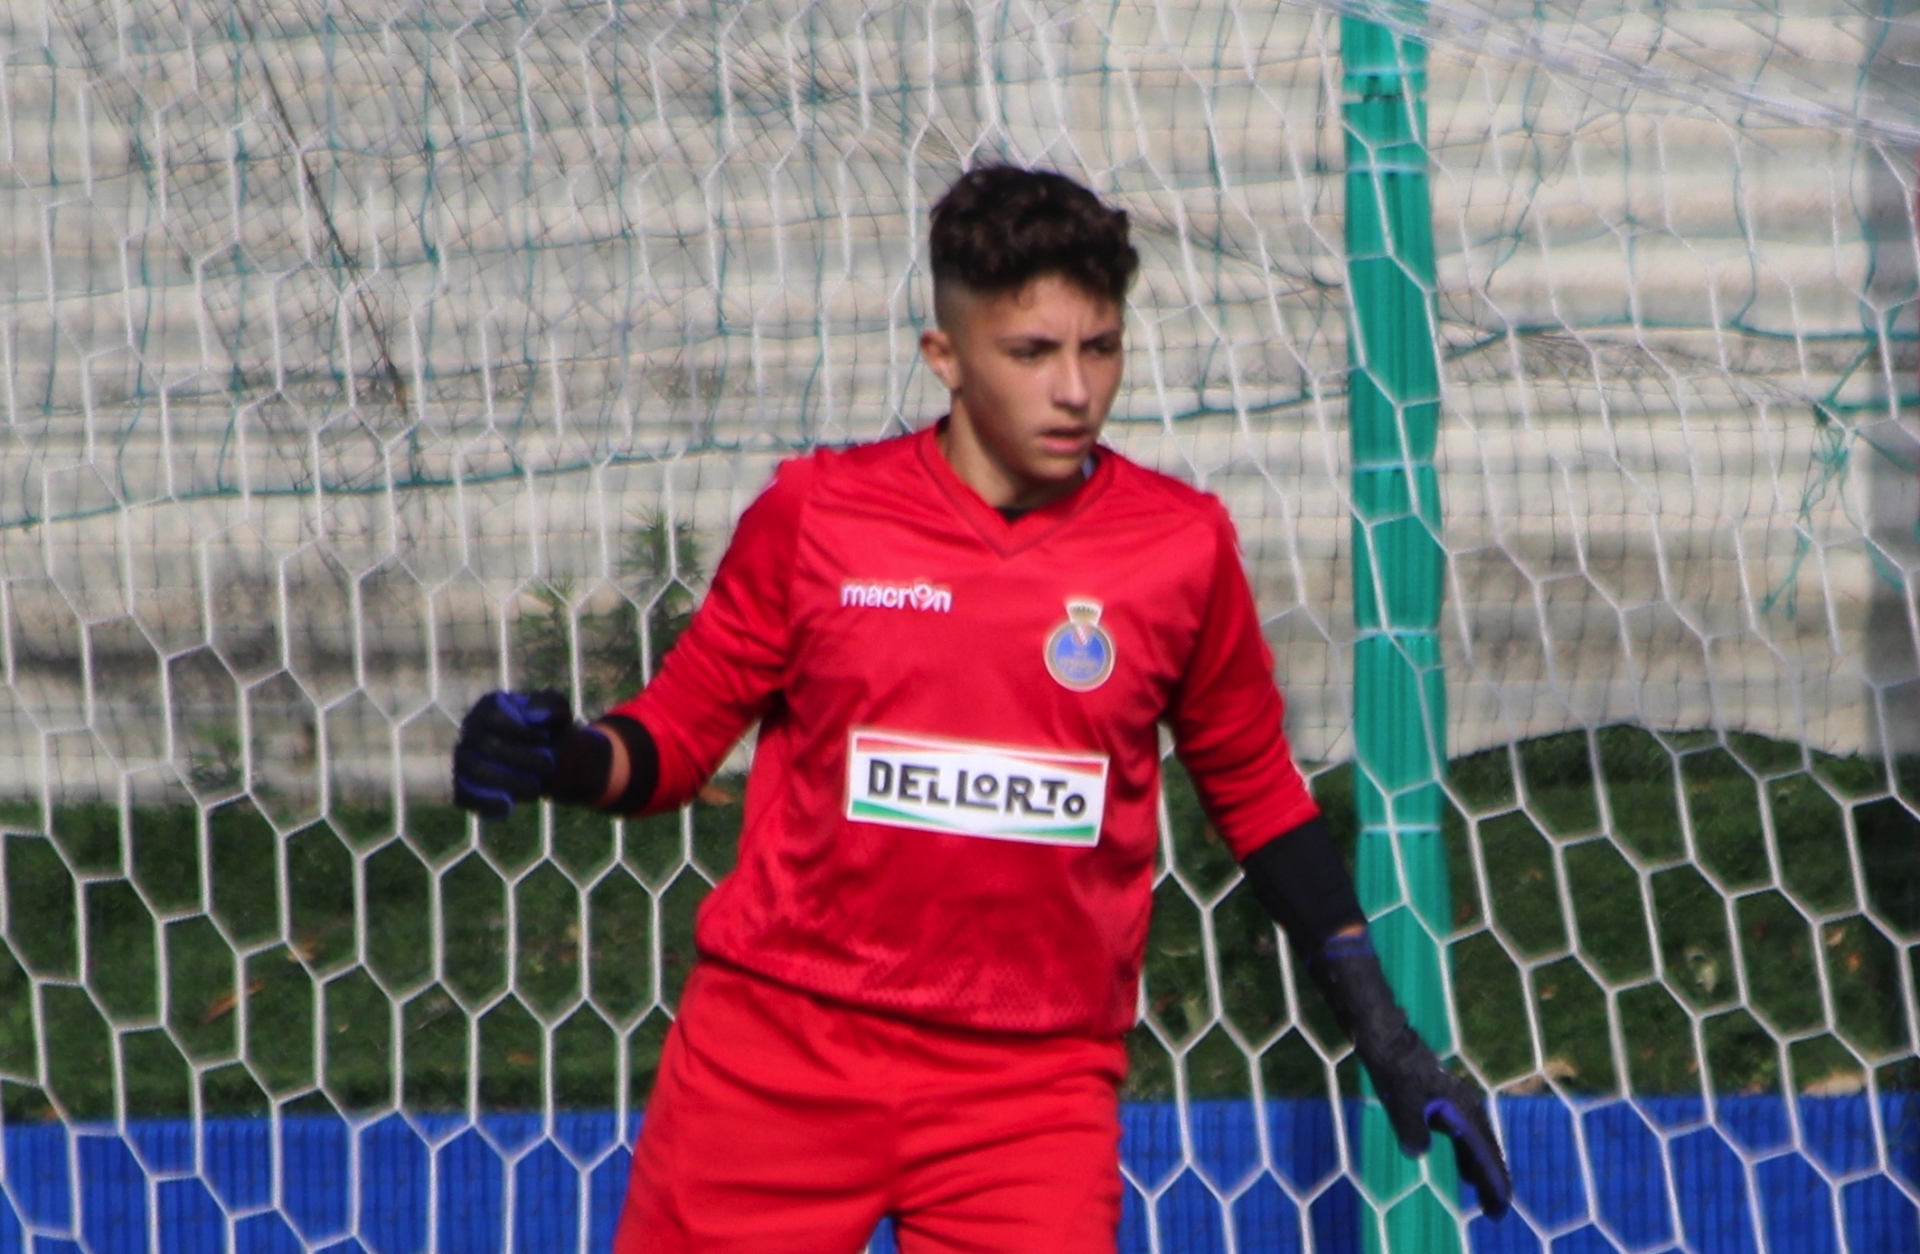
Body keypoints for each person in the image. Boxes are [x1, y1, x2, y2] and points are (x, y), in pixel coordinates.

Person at [451, 165, 1510, 1252]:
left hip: (1031, 1090)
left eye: (1099, 348)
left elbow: (1258, 793)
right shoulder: (818, 516)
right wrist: (563, 759)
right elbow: (671, 741)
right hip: (779, 1055)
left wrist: (1380, 1025)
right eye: (1032, 353)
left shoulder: (1178, 547)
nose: (1075, 391)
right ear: (945, 358)